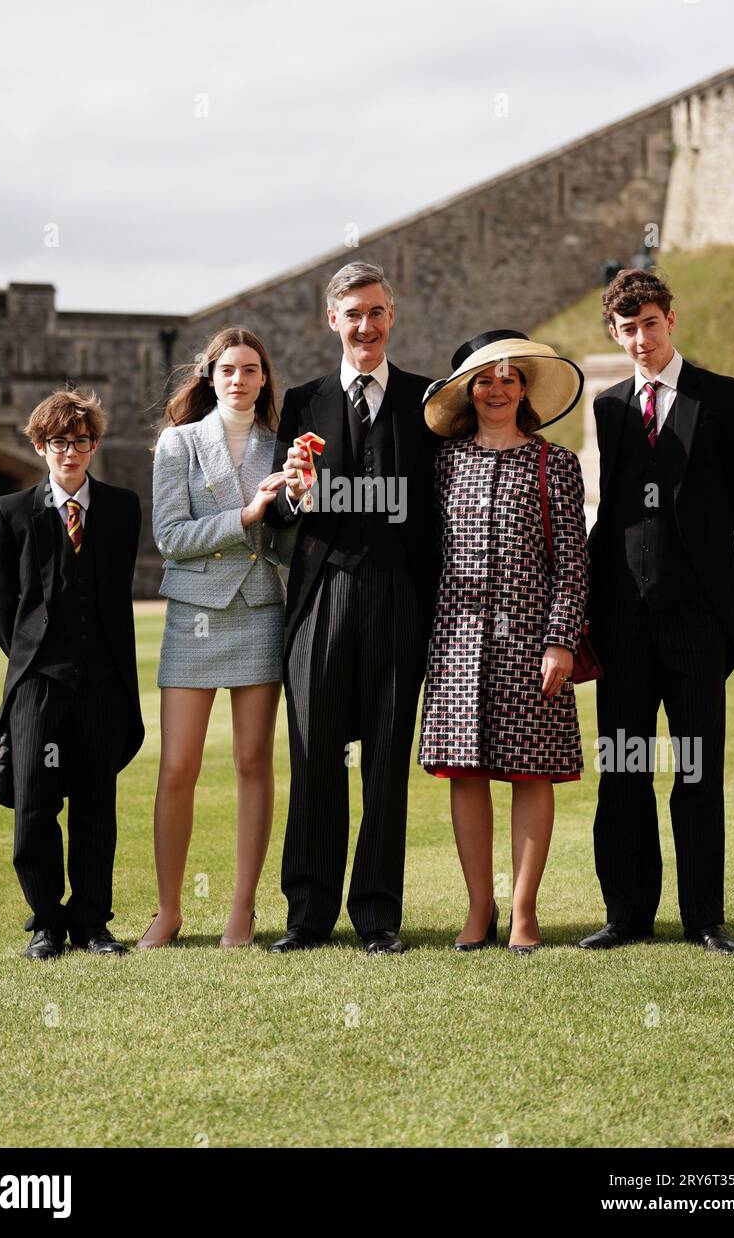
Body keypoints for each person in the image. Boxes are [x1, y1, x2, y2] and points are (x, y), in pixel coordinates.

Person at [581, 268, 734, 954]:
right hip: (622, 617)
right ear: (615, 334)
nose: (641, 338)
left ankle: (704, 919)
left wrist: (688, 541)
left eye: (650, 323)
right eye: (627, 329)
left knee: (695, 769)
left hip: (694, 618)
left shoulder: (719, 396)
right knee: (623, 768)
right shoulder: (612, 406)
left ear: (671, 321)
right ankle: (627, 914)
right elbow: (617, 503)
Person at [265, 261, 440, 953]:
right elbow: (281, 505)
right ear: (331, 321)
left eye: (375, 312)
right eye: (351, 314)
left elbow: (435, 506)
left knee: (385, 763)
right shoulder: (304, 402)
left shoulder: (428, 401)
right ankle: (307, 916)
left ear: (390, 317)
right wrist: (295, 494)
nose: (364, 325)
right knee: (314, 759)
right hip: (321, 599)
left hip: (400, 596)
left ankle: (377, 917)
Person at [418, 331, 587, 952]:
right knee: (466, 774)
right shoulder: (443, 462)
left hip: (532, 641)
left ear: (525, 389)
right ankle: (476, 907)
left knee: (531, 773)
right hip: (457, 641)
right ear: (467, 390)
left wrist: (561, 641)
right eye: (484, 379)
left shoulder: (555, 463)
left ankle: (523, 912)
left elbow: (573, 561)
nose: (496, 389)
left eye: (509, 377)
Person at [0, 388, 144, 959]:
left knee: (97, 805)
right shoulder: (11, 513)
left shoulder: (122, 509)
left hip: (101, 684)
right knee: (34, 805)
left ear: (93, 444)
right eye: (56, 443)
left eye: (78, 441)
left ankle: (93, 923)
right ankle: (47, 921)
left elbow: (115, 592)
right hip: (38, 684)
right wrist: (34, 658)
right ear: (39, 446)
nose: (68, 453)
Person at [137, 329, 289, 950]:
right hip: (195, 614)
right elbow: (171, 537)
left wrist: (292, 508)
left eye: (251, 370)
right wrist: (247, 516)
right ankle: (168, 911)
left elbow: (283, 545)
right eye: (229, 369)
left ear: (263, 379)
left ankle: (241, 913)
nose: (239, 379)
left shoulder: (281, 447)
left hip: (258, 610)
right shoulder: (177, 443)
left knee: (254, 763)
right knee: (178, 767)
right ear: (210, 374)